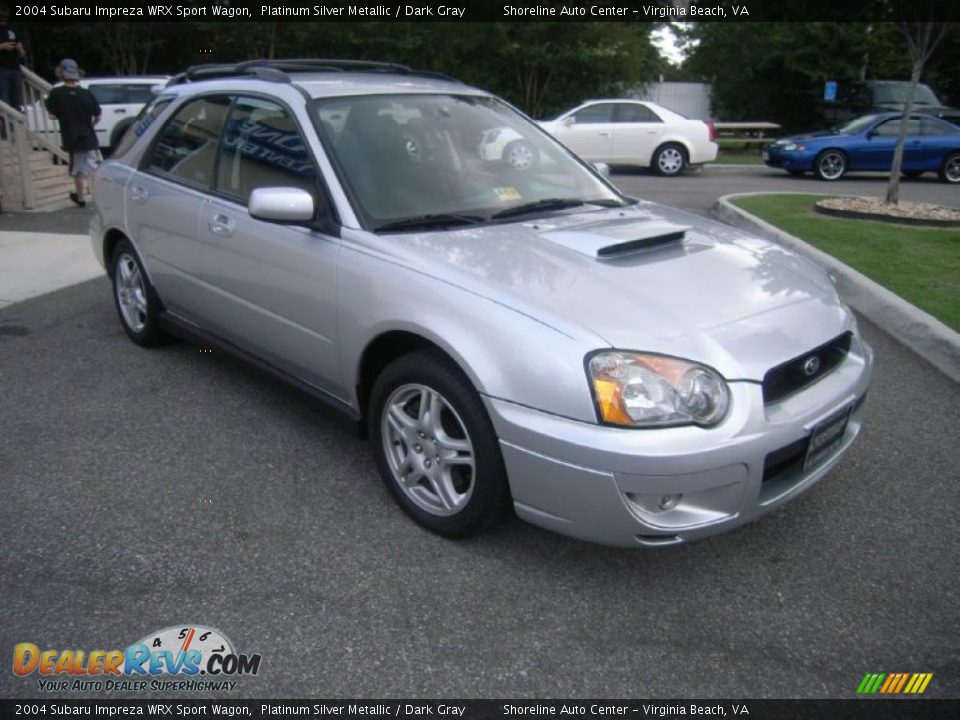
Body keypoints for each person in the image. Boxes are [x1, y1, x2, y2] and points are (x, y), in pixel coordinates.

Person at [45, 58, 100, 207]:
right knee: (84, 165)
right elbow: (97, 115)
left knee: (78, 168)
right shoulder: (86, 93)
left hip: (71, 135)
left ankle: (82, 197)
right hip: (87, 134)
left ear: (61, 73)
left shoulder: (56, 93)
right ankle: (81, 196)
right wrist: (90, 125)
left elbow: (51, 115)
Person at [0, 1, 26, 110]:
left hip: (15, 68)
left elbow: (22, 54)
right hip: (1, 69)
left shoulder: (13, 29)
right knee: (4, 100)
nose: (4, 19)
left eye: (5, 16)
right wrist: (2, 46)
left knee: (17, 101)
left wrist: (20, 49)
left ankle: (18, 119)